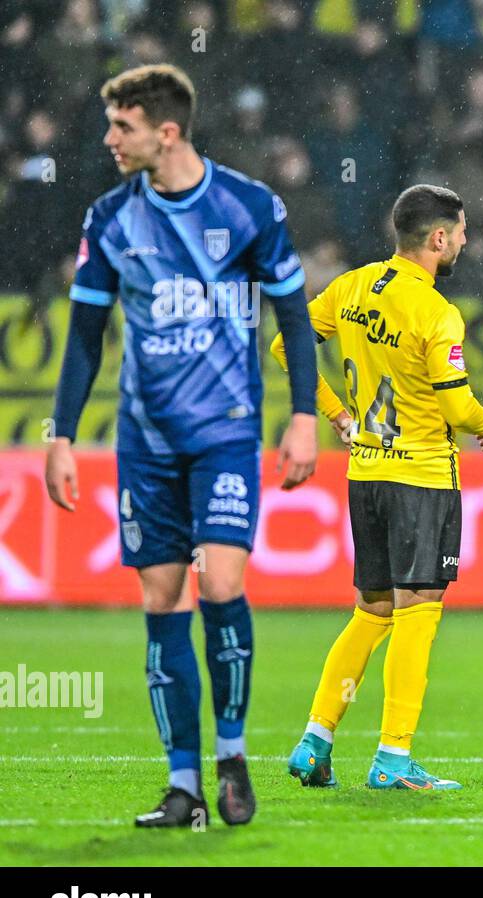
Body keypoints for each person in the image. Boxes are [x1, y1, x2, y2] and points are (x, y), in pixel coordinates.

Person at [44, 64, 319, 827]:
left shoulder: (248, 205)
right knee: (161, 599)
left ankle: (231, 755)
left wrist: (303, 415)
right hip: (147, 444)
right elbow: (85, 339)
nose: (109, 140)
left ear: (165, 132)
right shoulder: (108, 219)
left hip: (227, 436)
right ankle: (184, 787)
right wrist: (62, 436)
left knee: (221, 585)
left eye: (121, 126)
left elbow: (294, 317)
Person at [276, 185, 483, 792]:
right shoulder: (435, 312)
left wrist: (336, 416)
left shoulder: (351, 286)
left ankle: (315, 739)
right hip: (421, 478)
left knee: (371, 611)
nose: (464, 242)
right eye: (460, 232)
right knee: (418, 613)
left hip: (367, 473)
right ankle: (393, 759)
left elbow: (285, 343)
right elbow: (456, 406)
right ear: (437, 239)